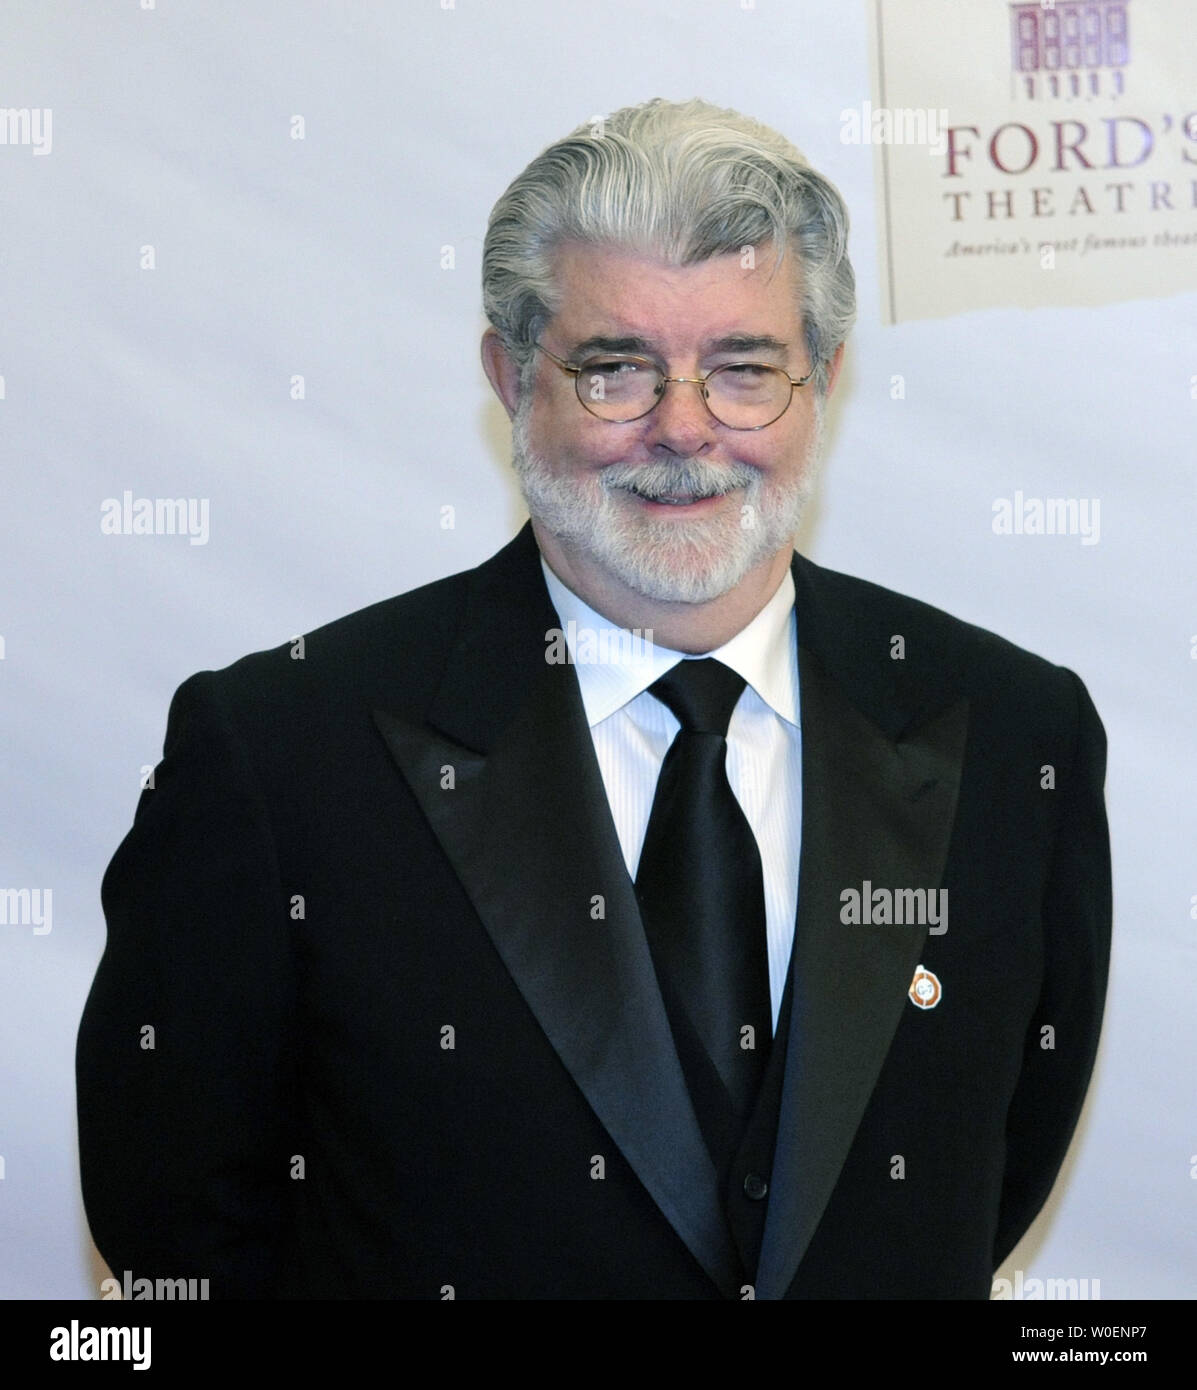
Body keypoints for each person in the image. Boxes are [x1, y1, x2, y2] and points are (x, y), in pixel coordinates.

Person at [77, 98, 1111, 1300]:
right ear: (511, 377)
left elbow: (985, 1180)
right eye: (615, 368)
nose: (684, 429)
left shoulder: (1013, 736)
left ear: (822, 380)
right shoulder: (277, 756)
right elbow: (176, 1238)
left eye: (744, 368)